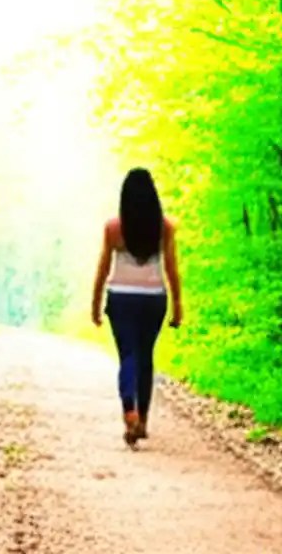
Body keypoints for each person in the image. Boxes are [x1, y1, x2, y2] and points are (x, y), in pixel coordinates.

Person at [91, 168, 183, 447]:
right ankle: (142, 419)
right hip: (153, 298)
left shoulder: (113, 228)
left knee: (127, 355)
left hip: (121, 298)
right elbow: (171, 269)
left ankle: (128, 410)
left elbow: (103, 268)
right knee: (146, 356)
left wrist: (95, 304)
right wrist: (178, 305)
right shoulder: (164, 227)